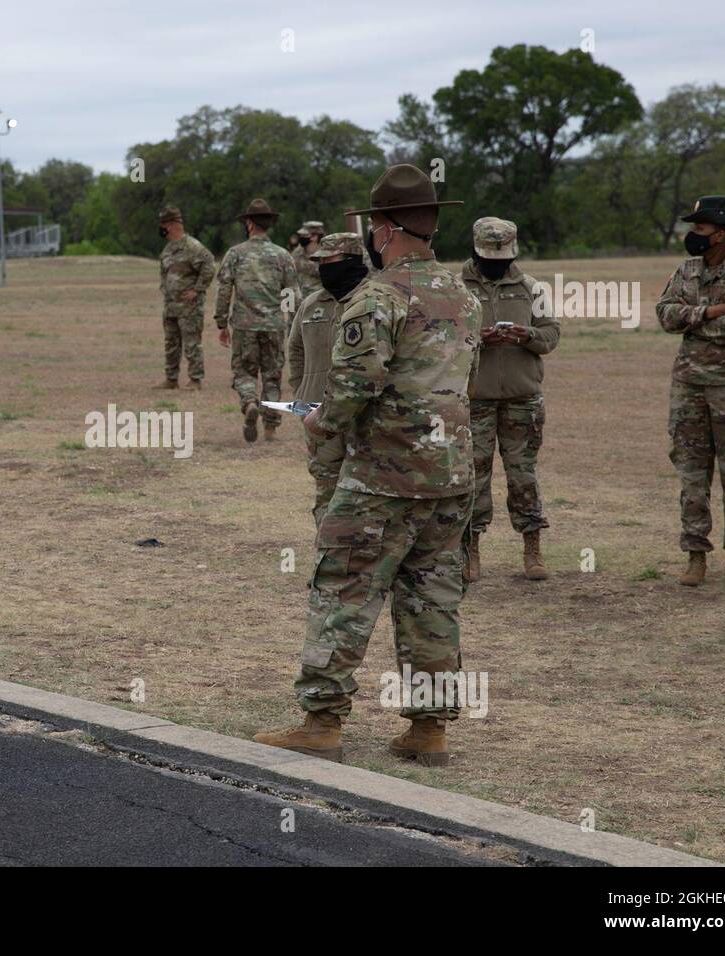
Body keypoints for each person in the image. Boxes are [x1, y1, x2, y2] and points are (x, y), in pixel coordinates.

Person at [255, 164, 479, 766]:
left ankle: (321, 722)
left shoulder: (376, 297)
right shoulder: (463, 294)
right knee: (431, 598)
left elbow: (354, 385)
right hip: (451, 474)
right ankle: (429, 731)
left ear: (382, 228)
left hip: (382, 476)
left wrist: (317, 421)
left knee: (343, 591)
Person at [657, 195, 725, 588]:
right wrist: (704, 312)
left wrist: (693, 321)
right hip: (688, 387)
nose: (693, 235)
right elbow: (666, 314)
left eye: (700, 229)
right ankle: (695, 555)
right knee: (691, 474)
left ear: (720, 234)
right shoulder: (685, 269)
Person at [460, 217, 561, 582]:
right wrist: (476, 340)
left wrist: (527, 335)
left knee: (523, 476)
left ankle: (532, 547)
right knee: (473, 476)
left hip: (523, 399)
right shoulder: (456, 290)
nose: (497, 264)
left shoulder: (531, 287)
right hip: (475, 400)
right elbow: (441, 340)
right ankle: (470, 549)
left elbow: (552, 334)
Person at [285, 232, 368, 524]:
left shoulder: (373, 301)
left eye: (329, 261)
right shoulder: (311, 304)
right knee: (326, 487)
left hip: (365, 415)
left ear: (351, 261)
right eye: (320, 262)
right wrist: (303, 392)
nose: (323, 268)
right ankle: (329, 557)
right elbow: (295, 351)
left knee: (367, 492)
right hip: (317, 415)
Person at [213, 198, 301, 443]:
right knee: (272, 376)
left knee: (244, 372)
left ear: (249, 224)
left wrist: (221, 323)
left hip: (244, 325)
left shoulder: (235, 254)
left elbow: (224, 290)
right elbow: (291, 294)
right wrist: (290, 323)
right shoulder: (283, 255)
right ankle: (271, 428)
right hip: (274, 324)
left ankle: (250, 401)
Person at [154, 204, 216, 391]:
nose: (161, 228)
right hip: (171, 306)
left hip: (189, 307)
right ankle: (171, 379)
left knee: (191, 343)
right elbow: (165, 275)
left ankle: (195, 380)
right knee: (171, 343)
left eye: (163, 223)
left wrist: (197, 290)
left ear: (172, 224)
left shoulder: (193, 247)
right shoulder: (167, 250)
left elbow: (209, 265)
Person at [292, 222, 325, 301]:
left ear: (314, 237)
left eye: (304, 235)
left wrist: (305, 265)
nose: (301, 237)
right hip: (300, 298)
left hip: (318, 298)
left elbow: (326, 273)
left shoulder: (326, 253)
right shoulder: (297, 252)